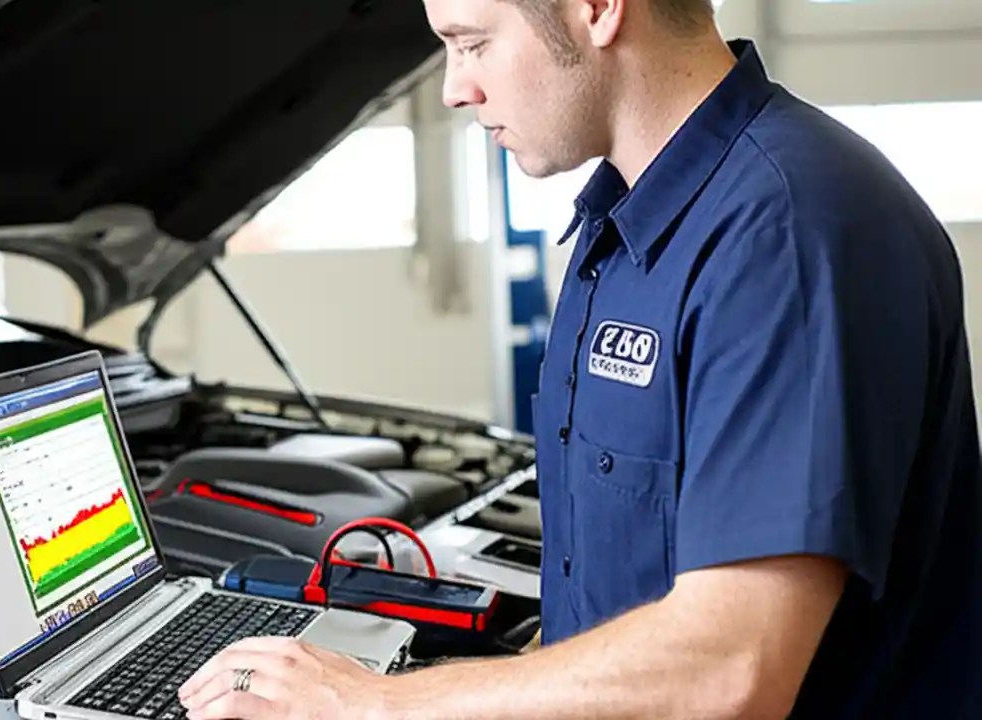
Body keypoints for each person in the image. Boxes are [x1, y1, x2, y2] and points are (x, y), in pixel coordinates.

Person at [178, 0, 982, 717]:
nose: (456, 88)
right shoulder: (625, 229)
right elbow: (609, 605)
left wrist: (377, 706)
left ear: (597, 9)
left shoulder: (786, 234)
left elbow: (733, 674)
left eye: (472, 43)